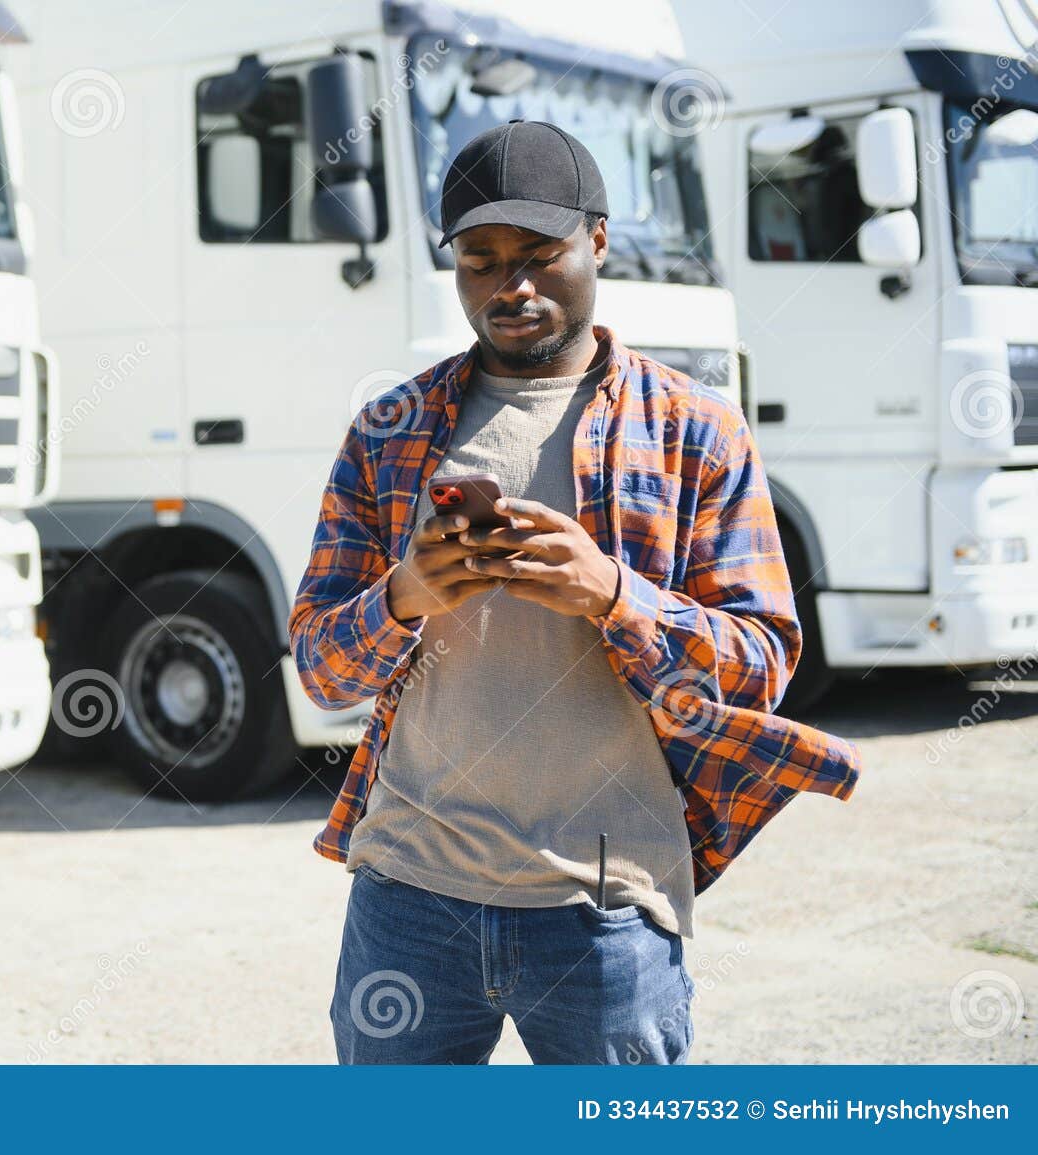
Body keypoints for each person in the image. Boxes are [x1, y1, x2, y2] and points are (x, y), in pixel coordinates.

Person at [289, 121, 862, 1065]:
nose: (510, 286)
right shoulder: (387, 431)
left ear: (597, 242)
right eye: (481, 262)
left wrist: (613, 596)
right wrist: (403, 596)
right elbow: (319, 668)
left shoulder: (697, 431)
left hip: (607, 902)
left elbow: (762, 664)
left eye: (539, 256)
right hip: (407, 893)